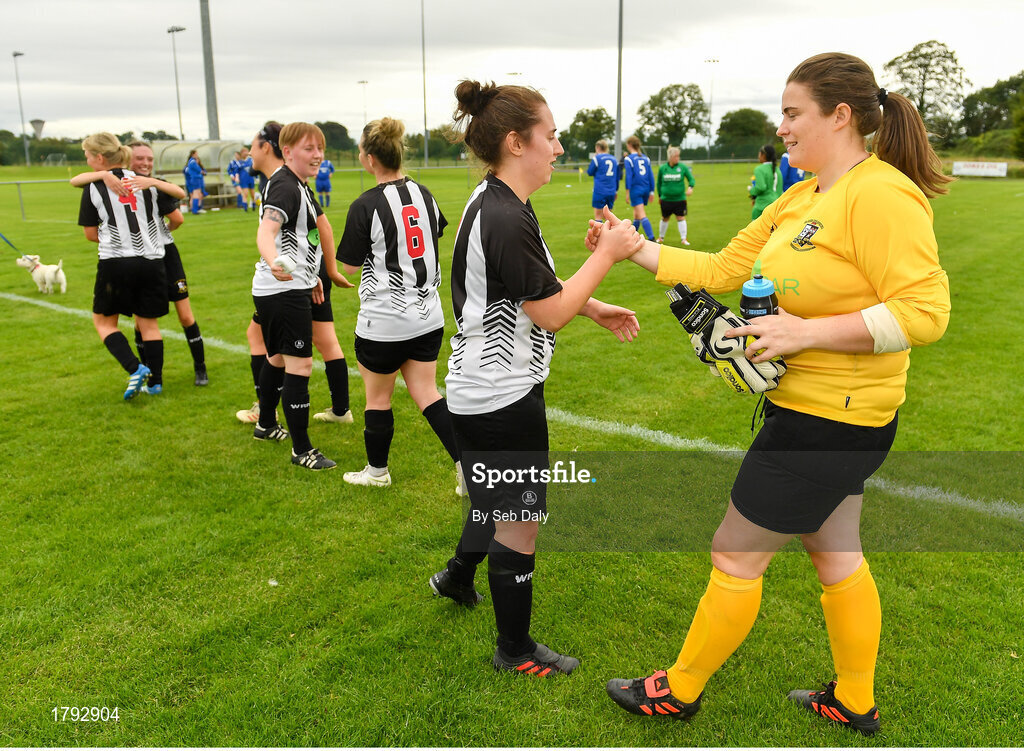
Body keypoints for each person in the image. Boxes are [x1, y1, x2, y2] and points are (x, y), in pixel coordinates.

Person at [591, 52, 951, 735]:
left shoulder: (879, 193)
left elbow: (926, 312)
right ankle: (854, 698)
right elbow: (727, 265)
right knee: (836, 552)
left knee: (734, 550)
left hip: (832, 421)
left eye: (793, 113)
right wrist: (631, 246)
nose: (781, 127)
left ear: (840, 116)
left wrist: (805, 332)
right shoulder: (802, 194)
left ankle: (680, 687)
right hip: (821, 414)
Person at [428, 80, 642, 677]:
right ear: (516, 142)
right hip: (501, 395)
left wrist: (594, 306)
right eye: (550, 135)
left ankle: (455, 578)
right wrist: (608, 256)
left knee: (493, 501)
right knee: (520, 521)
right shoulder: (503, 213)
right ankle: (515, 651)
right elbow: (548, 311)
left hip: (480, 389)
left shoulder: (498, 202)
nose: (559, 146)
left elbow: (532, 293)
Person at [336, 117, 460, 490]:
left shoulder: (365, 204)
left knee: (377, 397)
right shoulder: (424, 194)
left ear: (370, 158)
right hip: (427, 316)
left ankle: (377, 473)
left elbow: (349, 266)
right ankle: (468, 470)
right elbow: (432, 233)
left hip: (384, 321)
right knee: (427, 392)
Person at [236, 121, 354, 427]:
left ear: (268, 147)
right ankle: (275, 417)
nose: (249, 151)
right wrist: (317, 269)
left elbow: (271, 231)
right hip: (295, 278)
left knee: (285, 355)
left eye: (319, 149)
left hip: (289, 283)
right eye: (310, 148)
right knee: (297, 349)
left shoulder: (286, 183)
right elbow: (307, 230)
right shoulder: (292, 182)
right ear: (289, 151)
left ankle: (269, 417)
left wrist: (314, 269)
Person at [72, 141, 209, 388]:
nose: (145, 163)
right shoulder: (114, 181)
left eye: (149, 159)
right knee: (144, 320)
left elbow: (177, 217)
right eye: (140, 159)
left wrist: (157, 232)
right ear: (127, 158)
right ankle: (153, 380)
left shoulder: (149, 184)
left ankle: (198, 369)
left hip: (158, 253)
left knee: (183, 315)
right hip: (148, 258)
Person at [76, 132, 174, 399]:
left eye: (87, 156)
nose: (86, 161)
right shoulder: (146, 182)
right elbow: (175, 213)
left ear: (99, 157)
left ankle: (134, 368)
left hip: (115, 262)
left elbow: (90, 234)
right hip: (153, 261)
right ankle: (155, 383)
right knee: (149, 325)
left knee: (104, 323)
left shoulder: (93, 186)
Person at [656, 146, 695, 244]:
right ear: (670, 157)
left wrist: (690, 187)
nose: (678, 158)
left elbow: (691, 179)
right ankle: (661, 237)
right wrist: (660, 196)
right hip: (666, 199)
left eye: (678, 156)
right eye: (676, 156)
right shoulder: (663, 168)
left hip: (680, 199)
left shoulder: (682, 167)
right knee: (665, 218)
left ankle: (683, 239)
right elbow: (659, 183)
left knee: (681, 217)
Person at [623, 135, 656, 240]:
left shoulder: (629, 159)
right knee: (636, 214)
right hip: (646, 189)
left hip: (636, 190)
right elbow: (651, 176)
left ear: (629, 145)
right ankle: (632, 237)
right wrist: (651, 191)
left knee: (641, 215)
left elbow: (628, 177)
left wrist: (627, 193)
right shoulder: (646, 158)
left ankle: (652, 239)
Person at [586, 138, 620, 221]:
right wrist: (616, 191)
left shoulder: (597, 158)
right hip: (611, 191)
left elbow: (590, 172)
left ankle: (600, 234)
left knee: (598, 217)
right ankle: (610, 234)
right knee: (609, 218)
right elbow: (617, 177)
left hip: (600, 191)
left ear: (597, 147)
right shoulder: (614, 159)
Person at [748, 143, 783, 219]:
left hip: (762, 206)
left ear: (763, 155)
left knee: (755, 230)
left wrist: (751, 191)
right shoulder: (777, 170)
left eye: (759, 153)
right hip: (776, 207)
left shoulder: (759, 169)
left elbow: (761, 187)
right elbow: (780, 189)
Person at [184, 149, 206, 215]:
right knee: (196, 194)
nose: (197, 155)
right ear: (193, 154)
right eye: (196, 154)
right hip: (195, 179)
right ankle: (195, 210)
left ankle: (196, 209)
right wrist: (203, 172)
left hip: (195, 179)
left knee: (197, 194)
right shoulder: (193, 162)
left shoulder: (191, 161)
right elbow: (199, 169)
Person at [238, 146, 256, 211]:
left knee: (252, 194)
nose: (245, 153)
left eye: (246, 152)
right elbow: (237, 171)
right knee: (245, 193)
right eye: (243, 152)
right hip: (243, 180)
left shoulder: (251, 160)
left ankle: (254, 205)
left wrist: (256, 177)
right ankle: (245, 207)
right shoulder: (239, 162)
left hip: (251, 179)